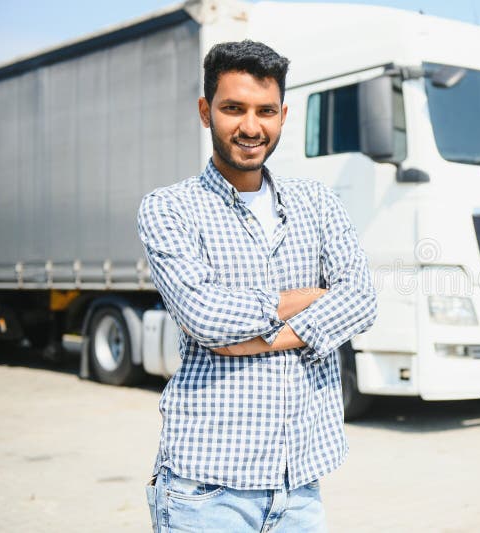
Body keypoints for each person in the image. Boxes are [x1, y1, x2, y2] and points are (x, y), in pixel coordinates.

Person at [137, 40, 377, 532]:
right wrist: (313, 297)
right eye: (233, 109)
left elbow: (363, 299)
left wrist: (250, 339)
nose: (251, 127)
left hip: (300, 487)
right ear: (206, 112)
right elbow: (204, 316)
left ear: (283, 114)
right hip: (206, 493)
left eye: (265, 110)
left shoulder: (316, 202)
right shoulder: (169, 208)